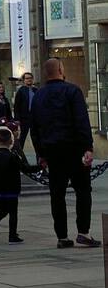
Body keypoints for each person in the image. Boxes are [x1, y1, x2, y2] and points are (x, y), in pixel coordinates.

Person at [29, 57, 99, 248]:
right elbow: (81, 120)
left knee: (57, 194)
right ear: (60, 70)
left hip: (52, 151)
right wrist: (88, 147)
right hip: (74, 149)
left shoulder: (38, 96)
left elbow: (34, 128)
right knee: (83, 191)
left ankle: (62, 236)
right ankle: (83, 232)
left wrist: (41, 154)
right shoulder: (72, 91)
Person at [13, 72, 37, 155]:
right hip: (24, 118)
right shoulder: (21, 91)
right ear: (24, 80)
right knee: (22, 138)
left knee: (36, 138)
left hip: (34, 118)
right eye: (27, 78)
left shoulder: (36, 90)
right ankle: (19, 155)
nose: (29, 80)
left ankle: (39, 158)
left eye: (30, 78)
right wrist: (17, 118)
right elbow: (16, 106)